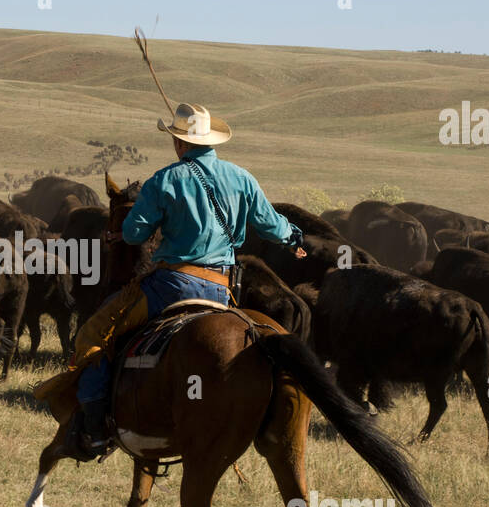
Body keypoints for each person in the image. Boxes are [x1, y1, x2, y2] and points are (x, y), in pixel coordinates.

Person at [61, 101, 307, 461]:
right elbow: (272, 225)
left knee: (93, 333)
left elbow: (131, 233)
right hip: (223, 290)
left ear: (178, 143)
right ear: (211, 142)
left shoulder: (165, 180)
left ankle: (96, 429)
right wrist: (294, 238)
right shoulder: (243, 179)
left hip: (171, 286)